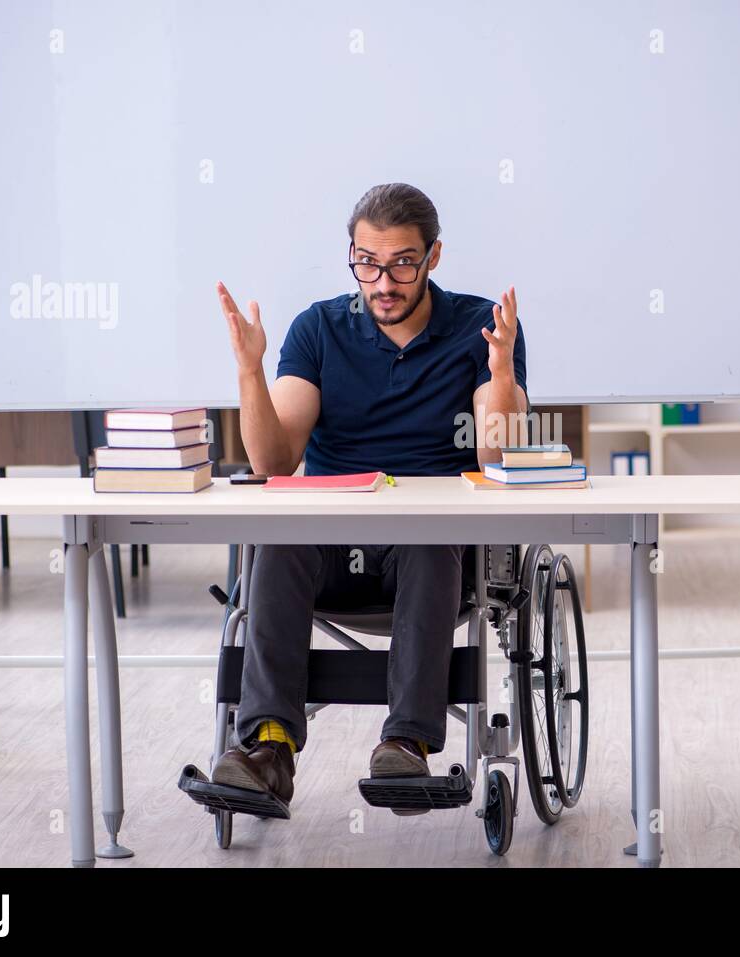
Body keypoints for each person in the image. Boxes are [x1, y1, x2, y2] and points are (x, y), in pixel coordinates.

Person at [209, 183, 528, 815]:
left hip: (436, 554)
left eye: (402, 263)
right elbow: (275, 463)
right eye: (367, 263)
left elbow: (498, 457)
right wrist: (250, 370)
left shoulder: (480, 326)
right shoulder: (320, 329)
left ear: (433, 257)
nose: (383, 282)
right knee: (276, 537)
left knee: (429, 535)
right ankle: (268, 751)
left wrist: (498, 372)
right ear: (352, 257)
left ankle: (406, 744)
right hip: (333, 550)